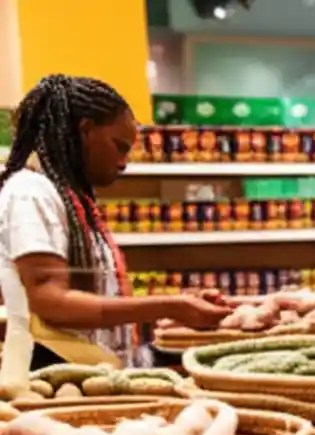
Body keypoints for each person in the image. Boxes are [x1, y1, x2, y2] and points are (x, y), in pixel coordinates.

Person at [0, 74, 230, 375]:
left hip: (93, 373)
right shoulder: (31, 193)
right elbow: (49, 300)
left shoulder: (71, 198)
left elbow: (94, 300)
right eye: (119, 146)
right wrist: (170, 306)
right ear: (85, 130)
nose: (124, 162)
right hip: (56, 381)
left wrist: (177, 303)